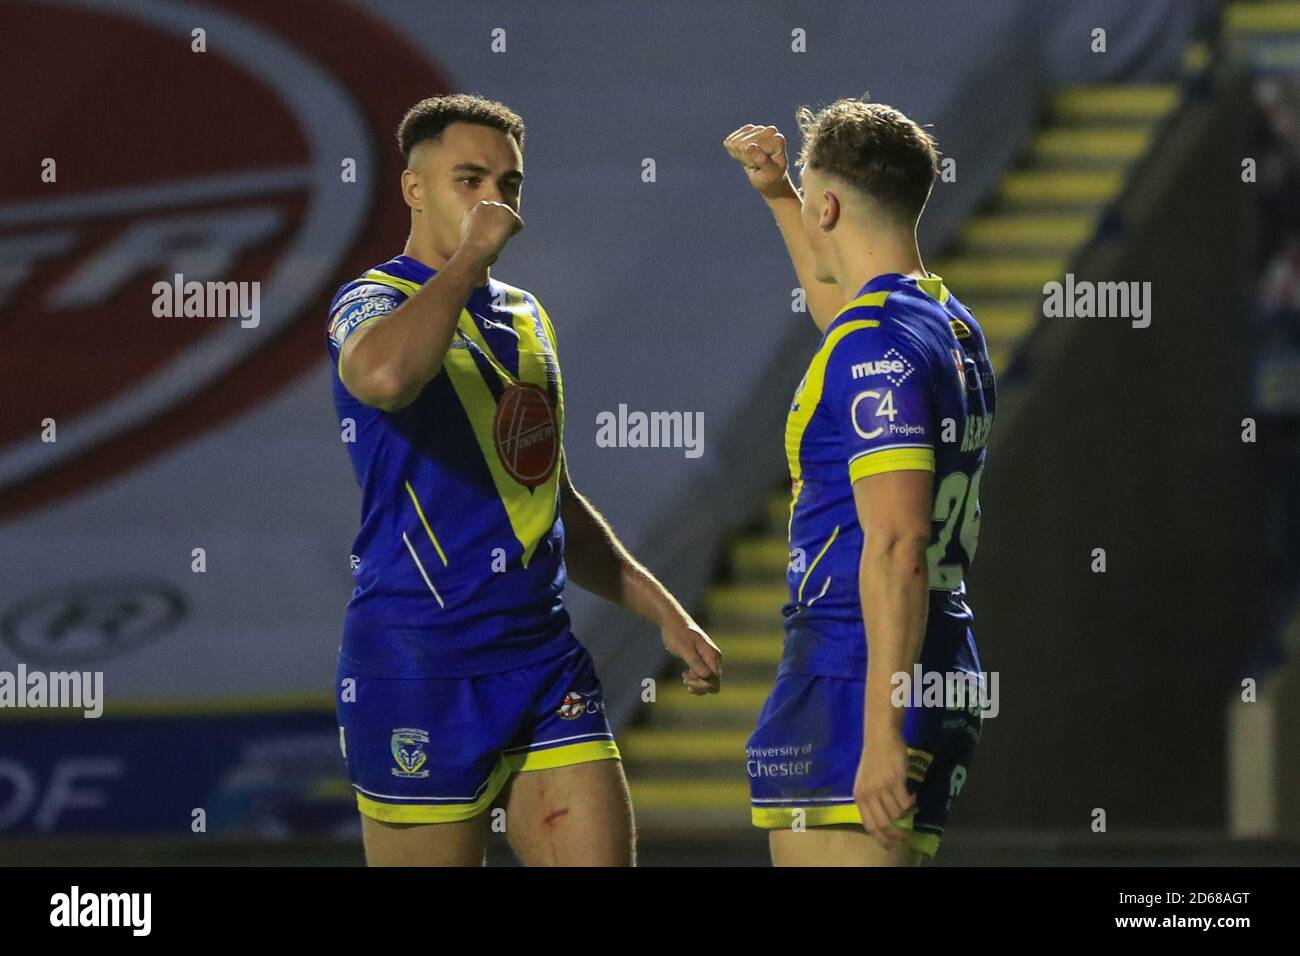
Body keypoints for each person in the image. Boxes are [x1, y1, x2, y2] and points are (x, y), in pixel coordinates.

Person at [327, 93, 721, 866]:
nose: (493, 202)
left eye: (508, 185)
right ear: (414, 188)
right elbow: (385, 378)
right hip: (421, 665)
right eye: (469, 180)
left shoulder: (527, 316)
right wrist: (467, 260)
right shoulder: (372, 300)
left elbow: (549, 497)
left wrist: (663, 611)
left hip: (543, 659)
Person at [722, 99, 996, 866]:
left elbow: (899, 542)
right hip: (933, 654)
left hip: (858, 668)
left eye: (812, 196)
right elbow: (843, 310)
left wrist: (881, 733)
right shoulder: (944, 323)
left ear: (831, 207)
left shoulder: (875, 343)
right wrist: (782, 195)